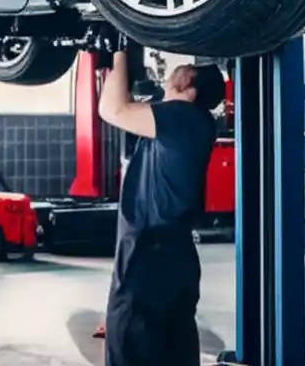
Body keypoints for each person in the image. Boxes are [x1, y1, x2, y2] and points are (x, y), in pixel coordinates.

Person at [96, 45, 225, 366]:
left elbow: (113, 111)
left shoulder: (181, 118)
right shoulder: (189, 123)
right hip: (175, 258)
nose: (175, 71)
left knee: (131, 348)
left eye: (185, 69)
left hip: (147, 260)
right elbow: (128, 106)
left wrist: (120, 50)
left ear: (187, 86)